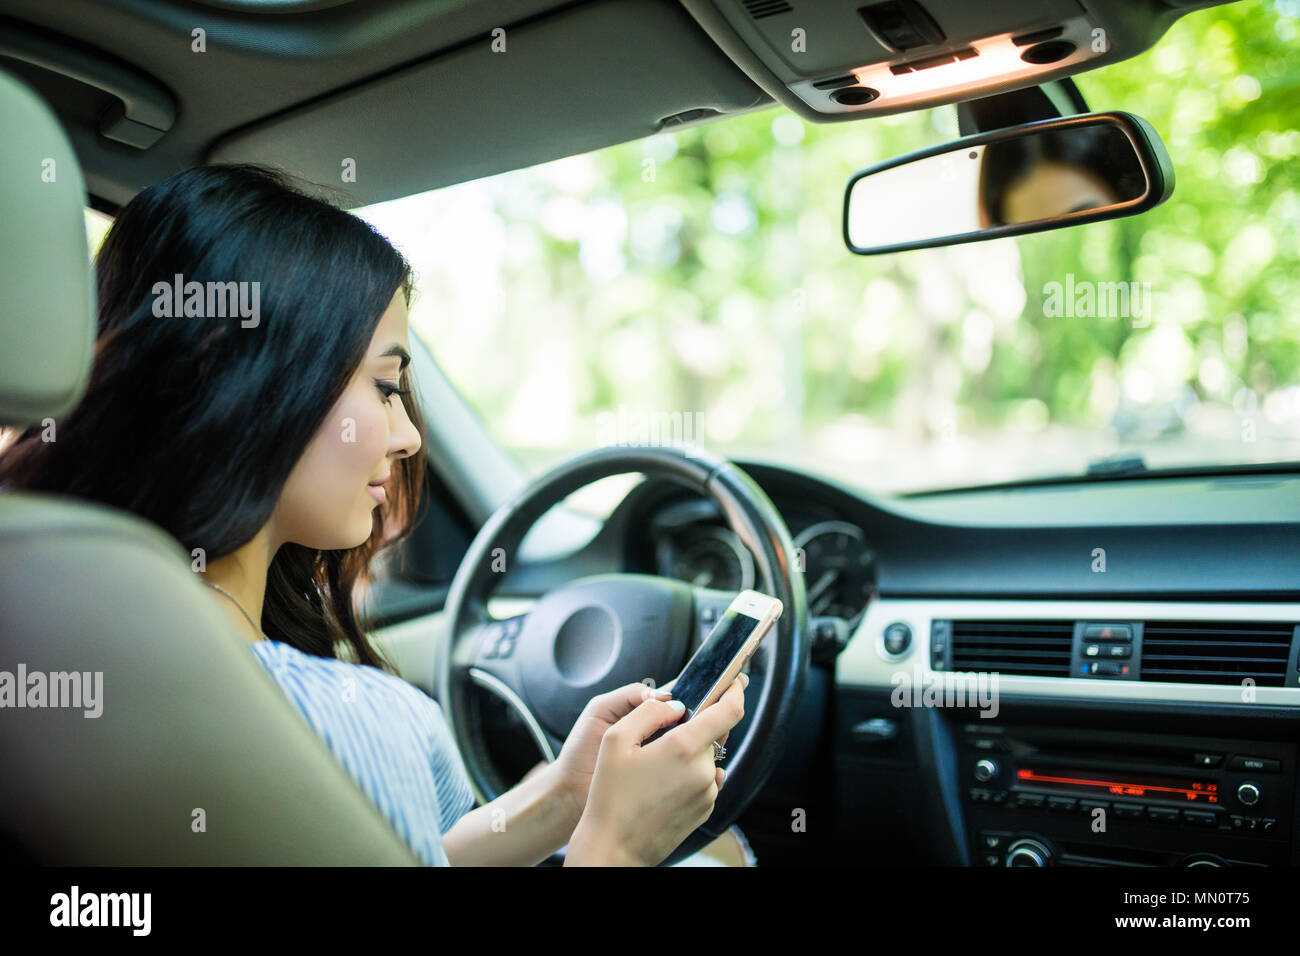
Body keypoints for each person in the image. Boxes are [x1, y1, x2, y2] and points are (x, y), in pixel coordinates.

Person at [0, 163, 747, 867]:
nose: (409, 435)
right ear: (241, 381)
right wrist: (616, 844)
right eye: (386, 387)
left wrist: (565, 796)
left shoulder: (46, 631)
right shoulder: (350, 717)